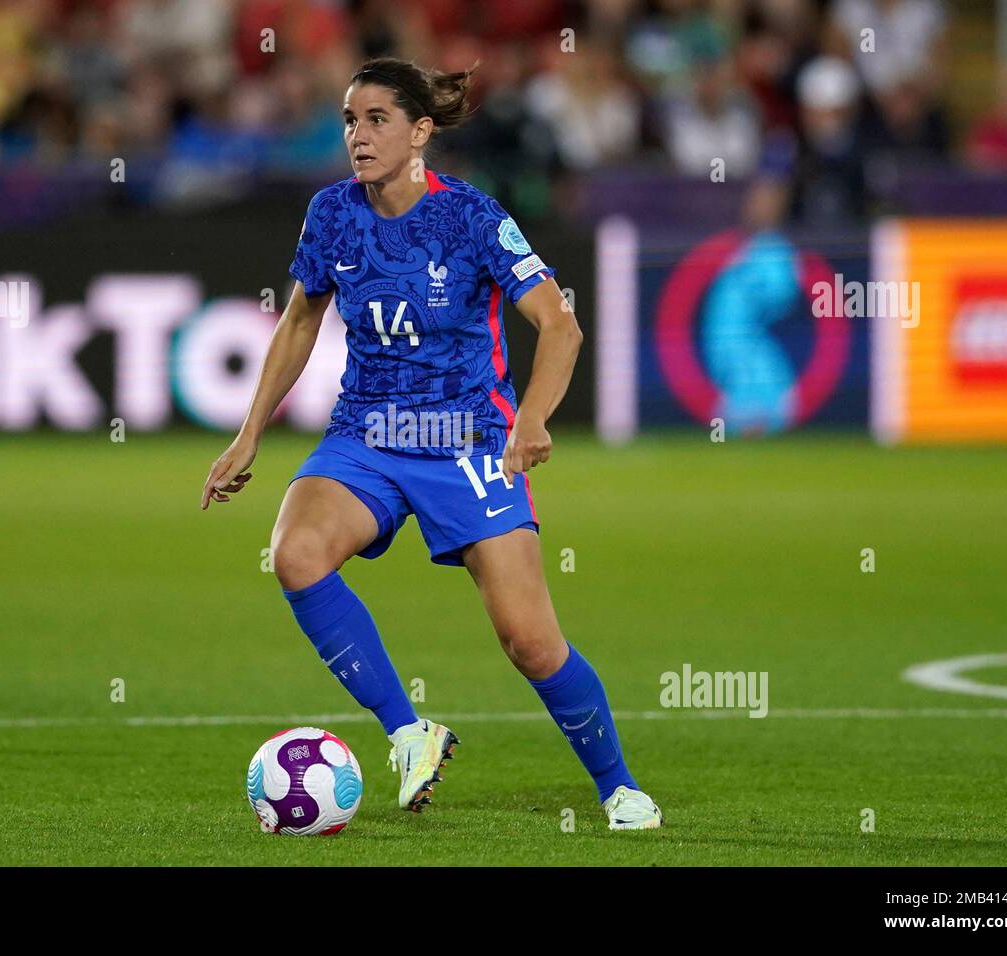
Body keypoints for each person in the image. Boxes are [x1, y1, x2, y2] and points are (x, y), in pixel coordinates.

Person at [202, 57, 662, 830]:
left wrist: (533, 418)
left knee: (529, 641)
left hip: (469, 442)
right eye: (349, 120)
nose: (358, 135)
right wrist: (250, 433)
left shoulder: (473, 217)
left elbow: (559, 324)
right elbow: (301, 318)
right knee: (296, 553)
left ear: (420, 132)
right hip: (368, 434)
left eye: (377, 119)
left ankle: (619, 788)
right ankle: (409, 732)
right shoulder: (332, 213)